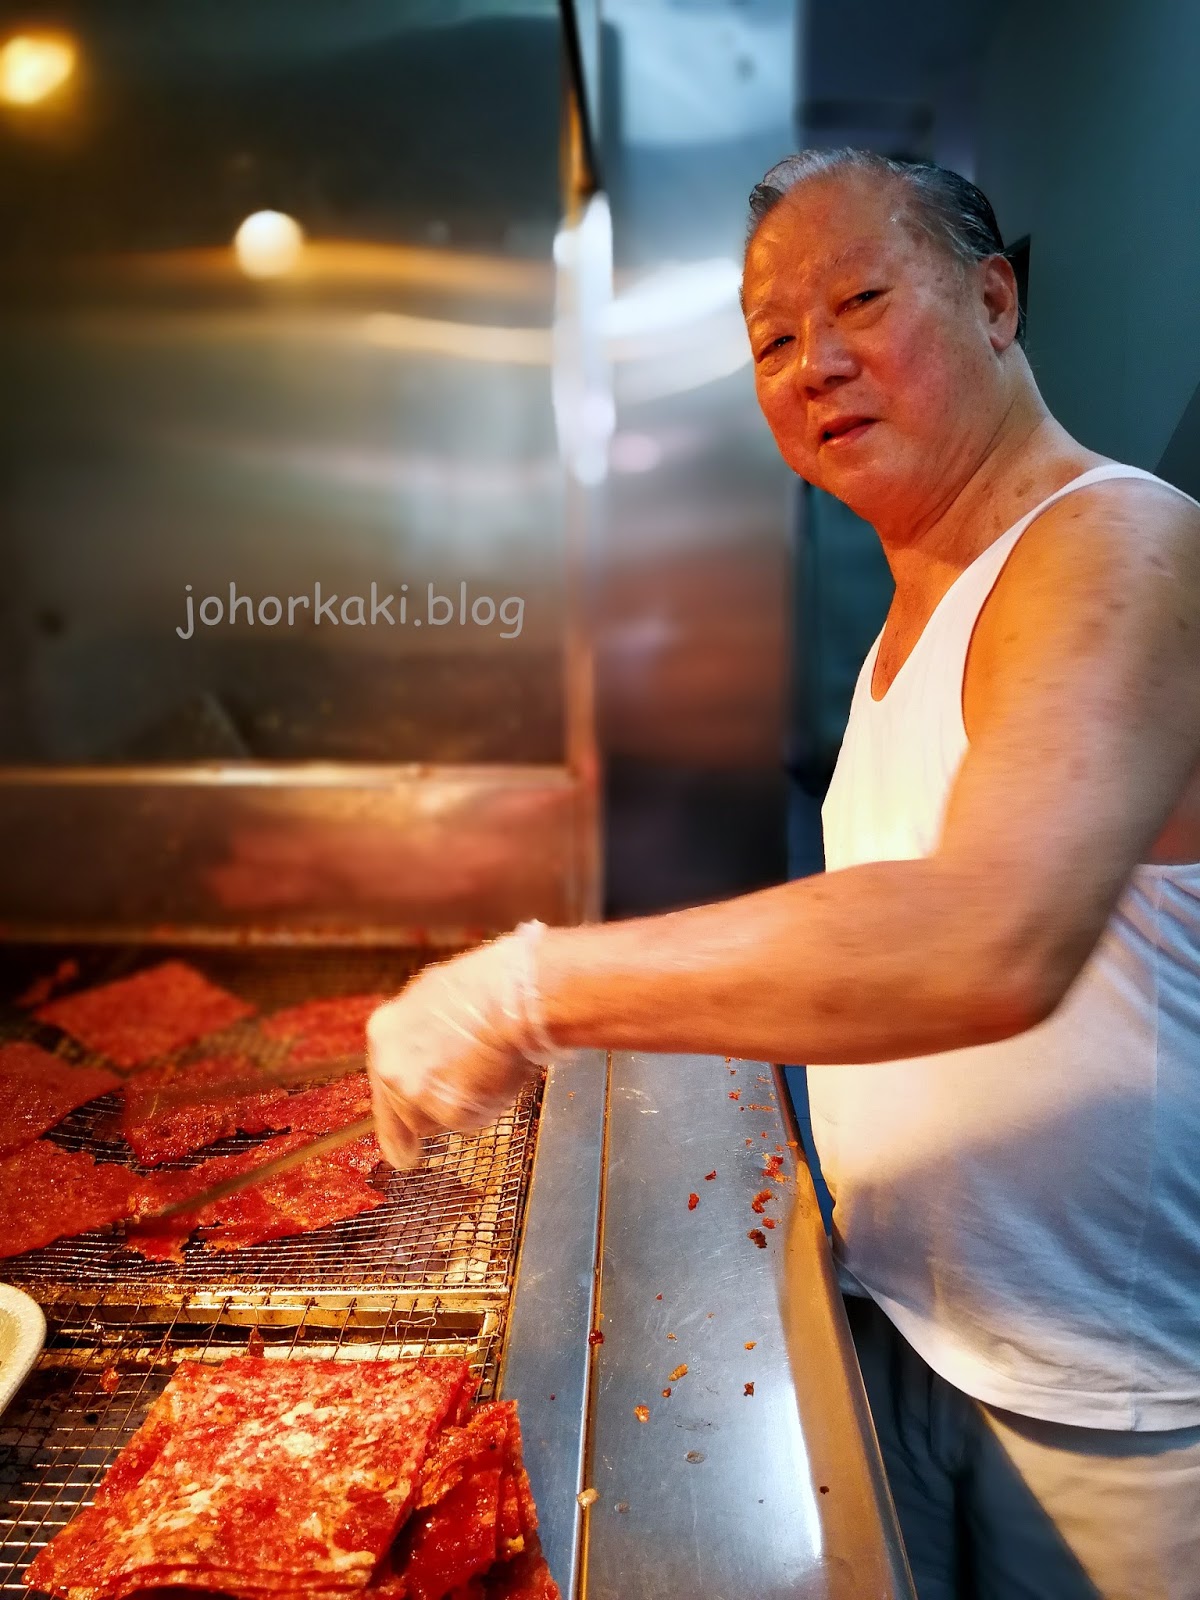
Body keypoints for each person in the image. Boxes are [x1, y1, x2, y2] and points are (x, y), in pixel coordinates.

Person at [366, 149, 1200, 1599]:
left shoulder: (1118, 542)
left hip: (1109, 1401)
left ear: (995, 300)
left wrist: (526, 988)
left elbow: (987, 936)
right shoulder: (916, 601)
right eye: (771, 340)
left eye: (860, 300)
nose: (816, 363)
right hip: (908, 1324)